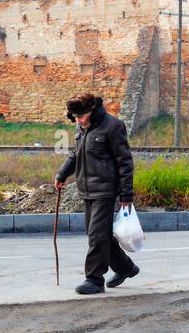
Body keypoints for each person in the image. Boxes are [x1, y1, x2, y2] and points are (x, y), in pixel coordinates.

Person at [54, 92, 141, 295]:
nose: (78, 121)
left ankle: (94, 279)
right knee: (98, 235)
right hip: (86, 190)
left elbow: (125, 163)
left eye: (81, 116)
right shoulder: (80, 126)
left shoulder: (113, 127)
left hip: (106, 190)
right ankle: (126, 267)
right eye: (75, 117)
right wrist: (62, 174)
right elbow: (75, 154)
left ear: (93, 110)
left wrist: (126, 195)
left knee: (96, 236)